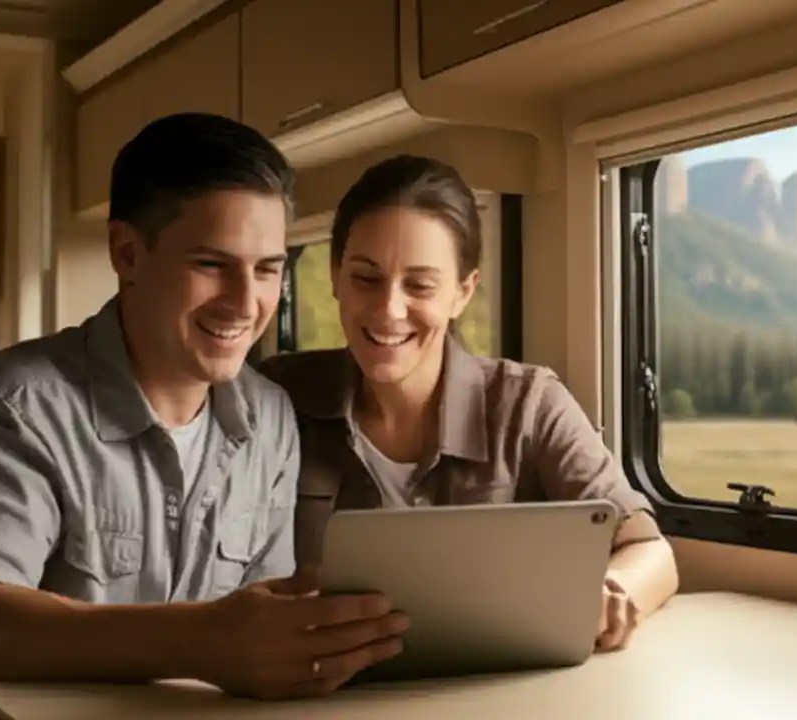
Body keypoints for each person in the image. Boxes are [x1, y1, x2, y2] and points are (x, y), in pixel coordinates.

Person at [0, 113, 407, 716]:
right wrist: (203, 641)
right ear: (128, 253)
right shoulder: (17, 404)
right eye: (212, 264)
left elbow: (260, 630)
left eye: (268, 269)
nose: (246, 303)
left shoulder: (271, 420)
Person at [261, 154, 680, 653]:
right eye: (365, 278)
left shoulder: (529, 404)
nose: (388, 310)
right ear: (334, 276)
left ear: (463, 292)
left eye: (420, 285)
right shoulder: (274, 397)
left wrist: (611, 594)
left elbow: (650, 549)